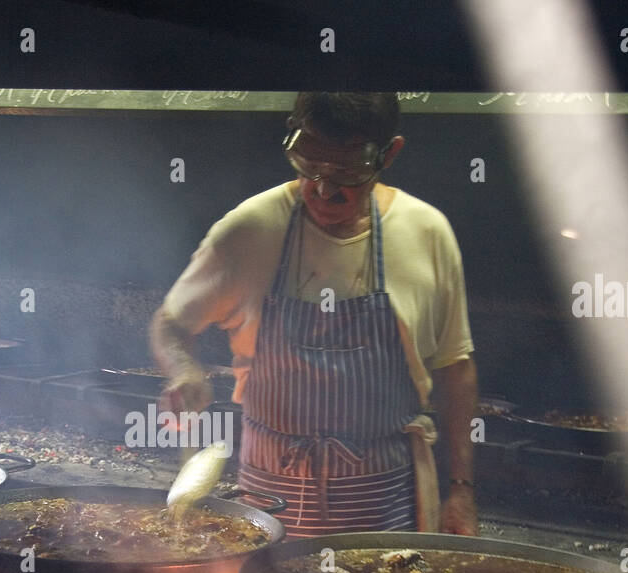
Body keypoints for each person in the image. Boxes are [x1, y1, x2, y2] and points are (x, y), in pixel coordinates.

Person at [151, 92, 478, 536]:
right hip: (271, 499)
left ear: (389, 153)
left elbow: (455, 368)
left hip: (384, 504)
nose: (324, 190)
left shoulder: (426, 233)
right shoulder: (249, 229)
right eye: (309, 168)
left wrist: (461, 489)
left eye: (346, 173)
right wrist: (184, 369)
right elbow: (171, 323)